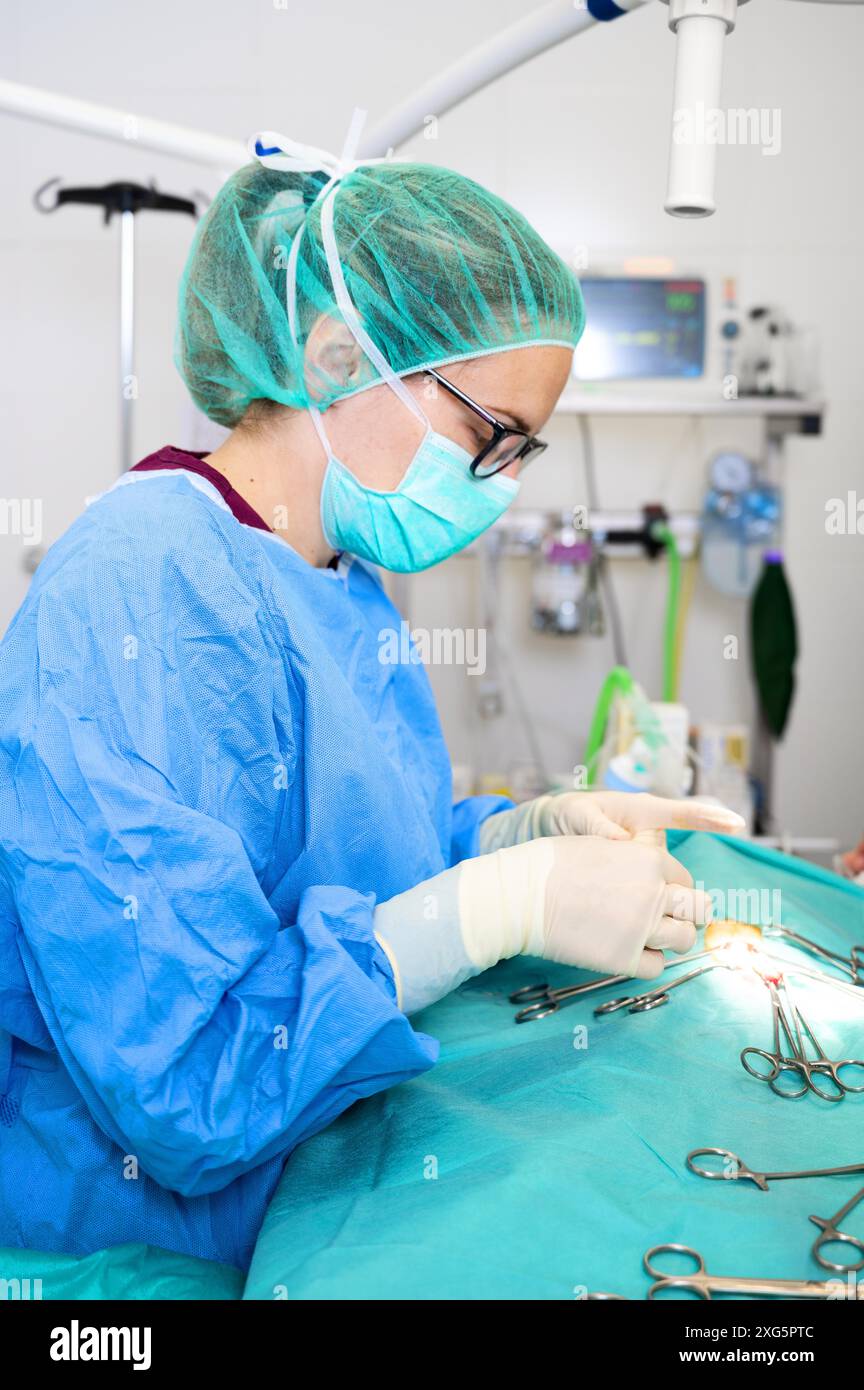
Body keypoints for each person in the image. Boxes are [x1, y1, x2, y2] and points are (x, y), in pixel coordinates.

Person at [0, 131, 741, 1272]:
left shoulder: (339, 576)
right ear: (340, 355)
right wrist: (491, 909)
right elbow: (184, 1085)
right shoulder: (137, 586)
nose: (496, 487)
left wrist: (518, 834)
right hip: (152, 1242)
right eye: (488, 439)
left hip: (328, 1155)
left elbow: (362, 851)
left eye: (522, 454)